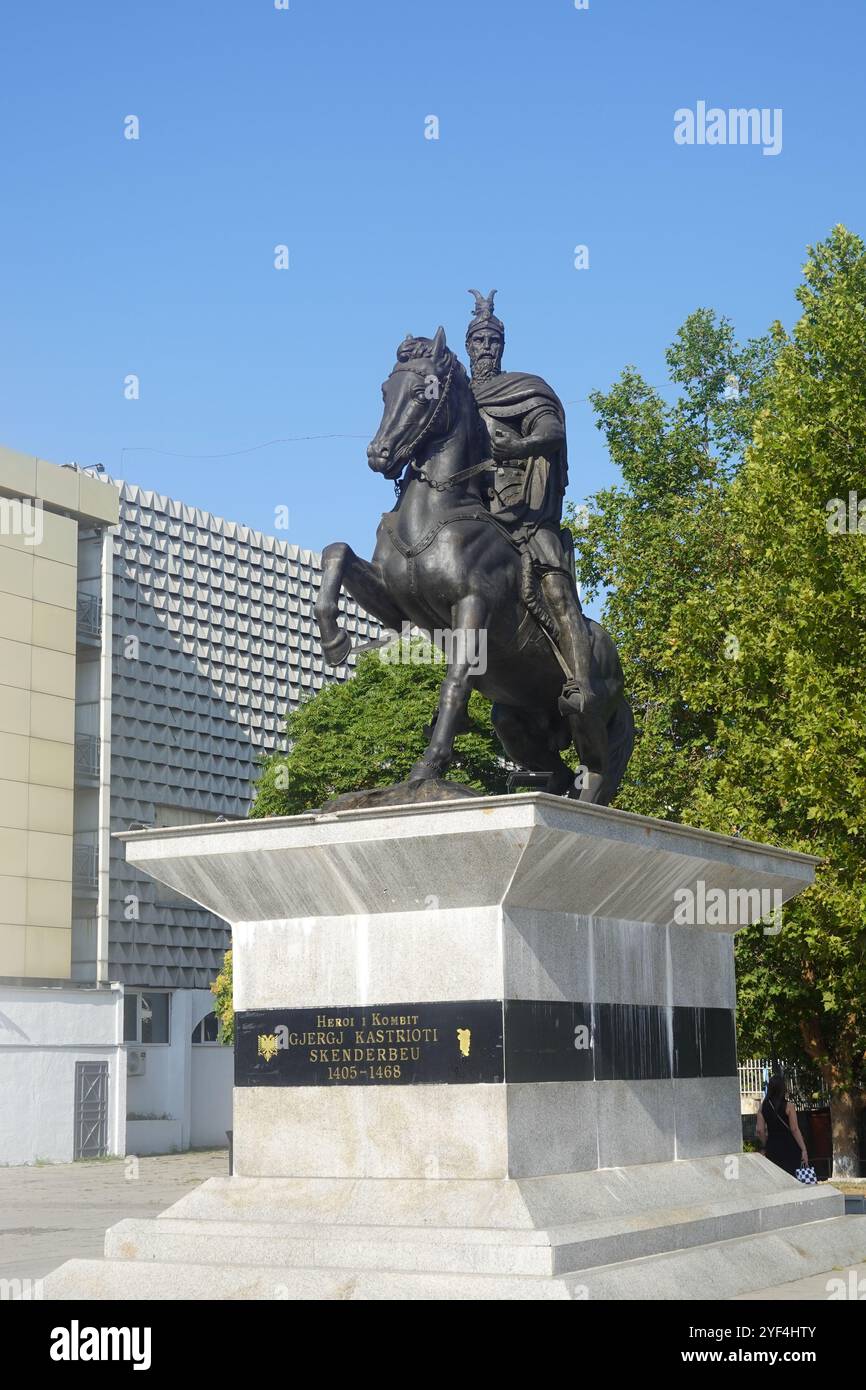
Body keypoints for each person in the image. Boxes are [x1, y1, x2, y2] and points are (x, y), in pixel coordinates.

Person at [464, 289, 605, 718]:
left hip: (522, 512)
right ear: (467, 346)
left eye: (493, 341)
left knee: (556, 585)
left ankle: (581, 682)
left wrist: (520, 445)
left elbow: (551, 430)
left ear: (501, 346)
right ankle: (455, 699)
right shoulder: (454, 401)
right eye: (478, 340)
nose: (486, 347)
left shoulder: (520, 390)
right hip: (474, 515)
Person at [756, 1073, 809, 1177]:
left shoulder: (763, 1107)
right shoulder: (789, 1106)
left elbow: (760, 1130)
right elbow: (794, 1129)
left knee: (776, 1178)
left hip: (772, 1145)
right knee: (791, 1178)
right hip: (789, 1146)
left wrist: (766, 1144)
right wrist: (803, 1149)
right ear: (783, 1089)